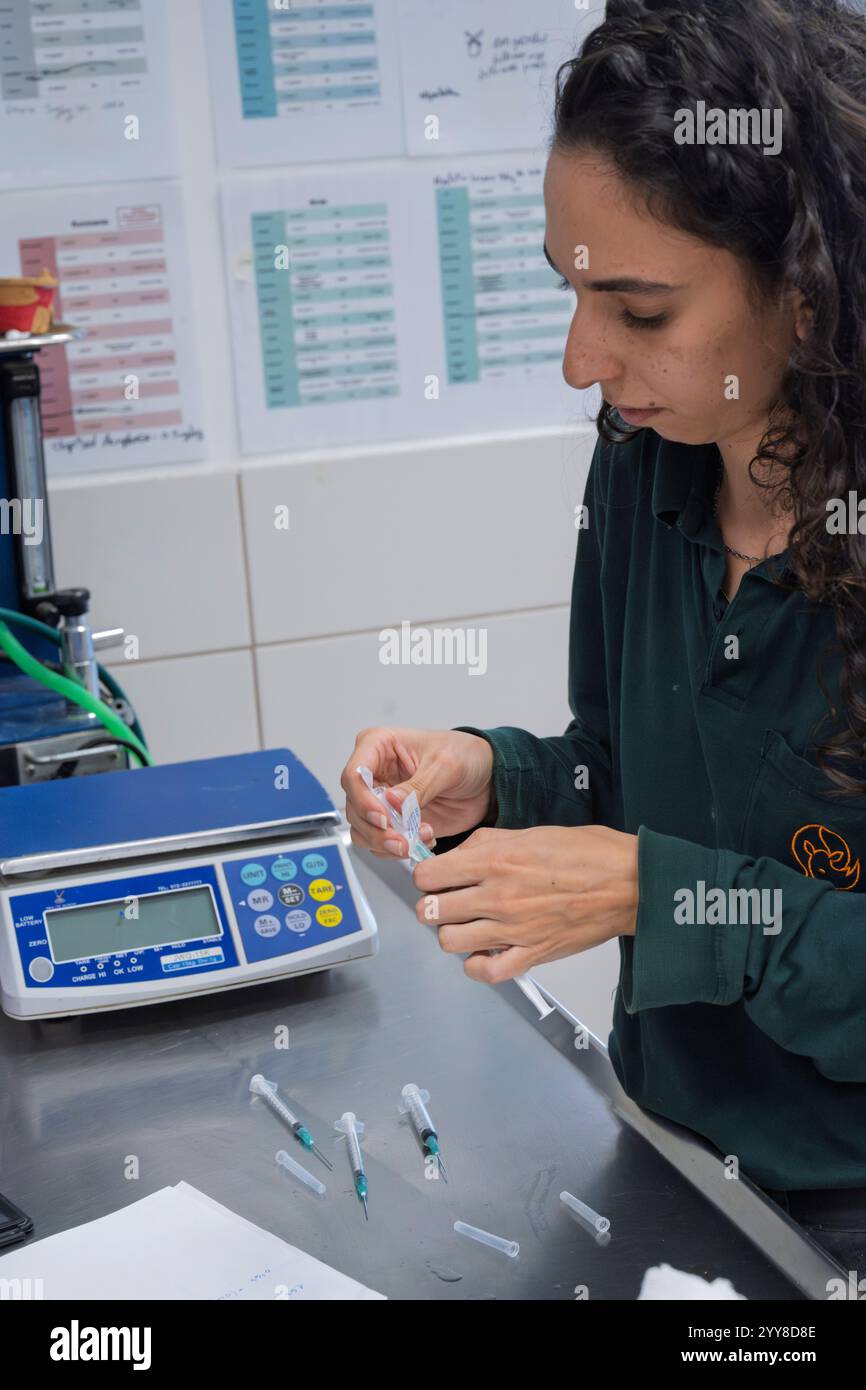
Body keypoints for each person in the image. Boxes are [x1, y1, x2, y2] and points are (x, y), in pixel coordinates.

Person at [341, 0, 866, 1278]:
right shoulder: (649, 459)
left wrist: (659, 894)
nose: (583, 361)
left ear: (804, 297)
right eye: (572, 293)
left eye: (637, 312)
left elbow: (684, 875)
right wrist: (495, 777)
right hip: (676, 1163)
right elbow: (622, 776)